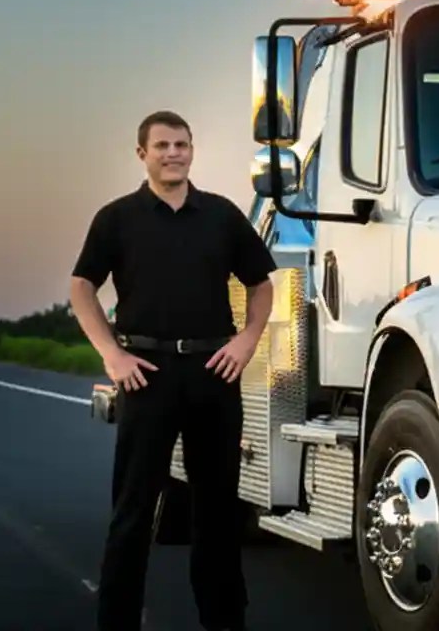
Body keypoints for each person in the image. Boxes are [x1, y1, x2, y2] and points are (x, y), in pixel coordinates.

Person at [69, 110, 277, 631]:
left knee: (217, 513)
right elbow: (81, 288)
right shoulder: (116, 218)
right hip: (147, 373)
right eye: (161, 145)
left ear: (192, 150)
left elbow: (262, 283)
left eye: (181, 144)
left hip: (214, 372)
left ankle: (225, 621)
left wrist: (247, 341)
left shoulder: (223, 216)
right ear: (142, 154)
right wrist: (111, 355)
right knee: (134, 512)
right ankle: (116, 622)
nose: (173, 153)